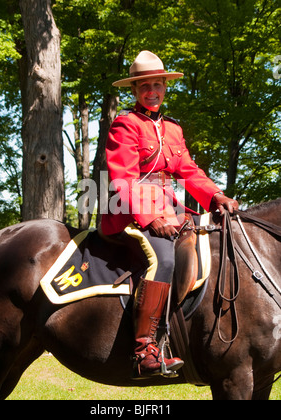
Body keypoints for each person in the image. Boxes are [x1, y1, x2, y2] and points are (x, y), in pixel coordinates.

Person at [101, 51, 239, 379]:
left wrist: (216, 195)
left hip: (171, 208)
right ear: (135, 91)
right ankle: (145, 349)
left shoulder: (173, 129)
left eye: (157, 84)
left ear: (165, 87)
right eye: (144, 85)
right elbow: (123, 179)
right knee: (162, 259)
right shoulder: (125, 124)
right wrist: (151, 218)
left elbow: (188, 170)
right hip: (129, 213)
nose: (152, 90)